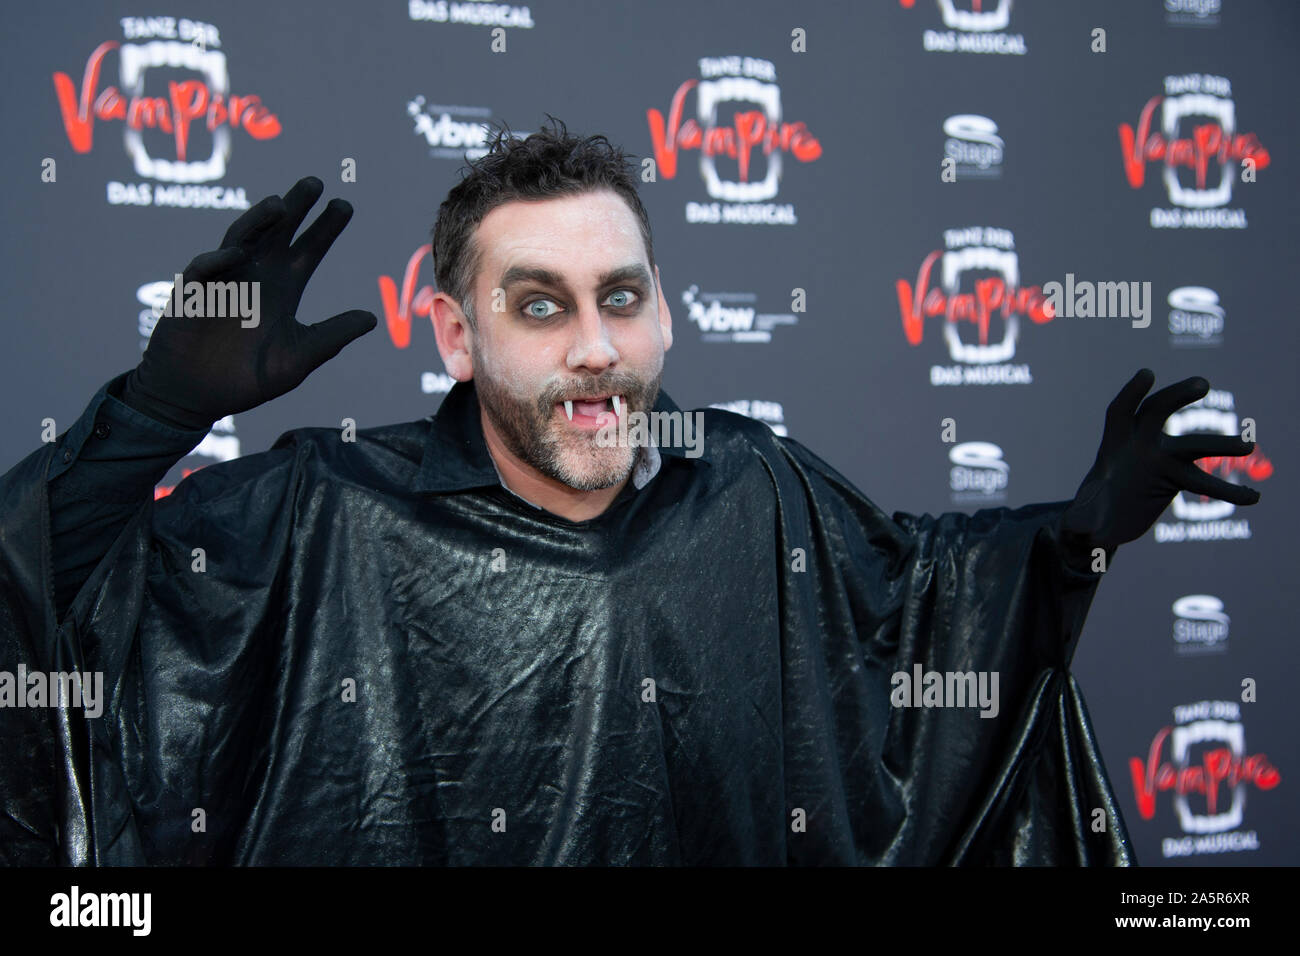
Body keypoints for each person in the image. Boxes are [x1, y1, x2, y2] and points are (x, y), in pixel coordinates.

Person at [0, 120, 1260, 866]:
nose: (593, 346)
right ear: (452, 334)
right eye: (537, 303)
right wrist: (160, 413)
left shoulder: (753, 490)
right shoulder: (318, 509)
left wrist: (1083, 533)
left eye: (620, 296)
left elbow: (933, 613)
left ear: (662, 309)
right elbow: (40, 599)